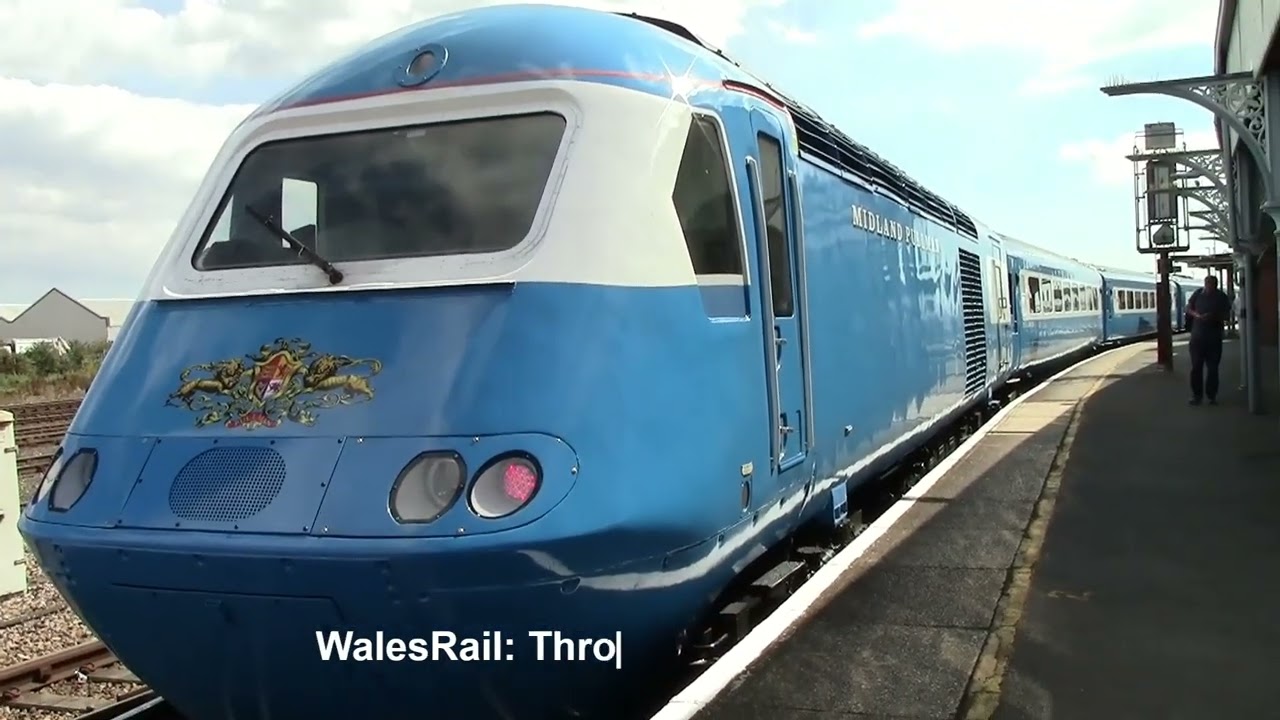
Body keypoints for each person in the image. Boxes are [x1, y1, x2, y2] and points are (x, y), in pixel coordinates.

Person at [1185, 274, 1232, 405]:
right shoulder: (1198, 294)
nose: (1209, 287)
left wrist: (1213, 316)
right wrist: (1197, 315)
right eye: (1208, 284)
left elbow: (1227, 316)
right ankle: (1197, 395)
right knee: (1196, 368)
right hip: (1197, 338)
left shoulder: (1221, 297)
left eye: (1212, 285)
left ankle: (1211, 396)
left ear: (1216, 285)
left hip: (1214, 339)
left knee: (1212, 369)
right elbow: (1188, 308)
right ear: (1205, 284)